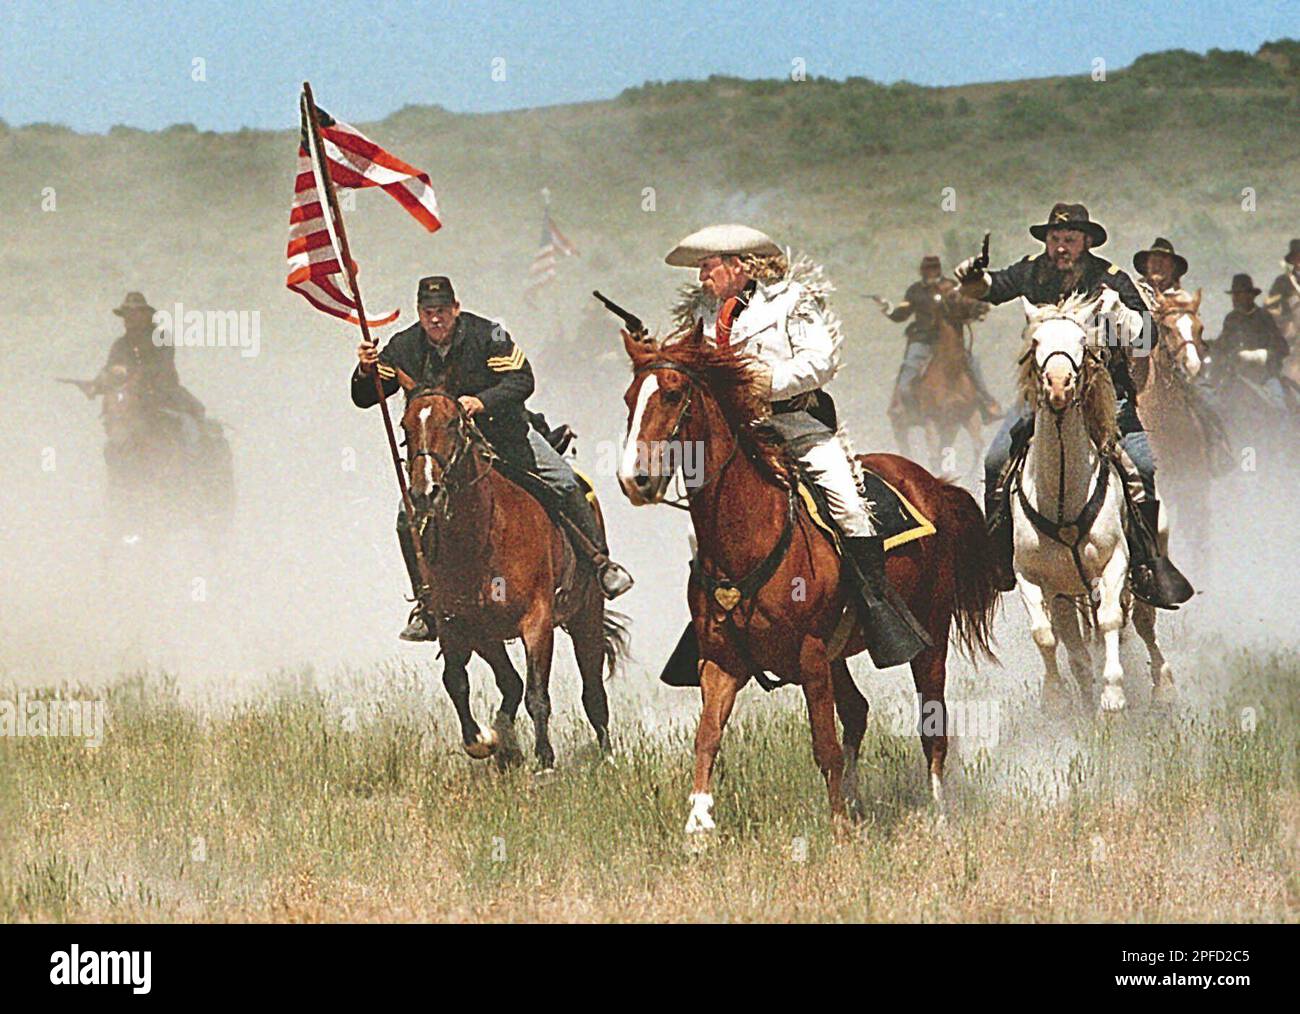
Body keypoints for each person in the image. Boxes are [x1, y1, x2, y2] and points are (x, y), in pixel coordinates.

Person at [665, 223, 927, 664]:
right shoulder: (701, 316)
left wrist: (768, 381)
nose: (700, 278)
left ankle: (879, 612)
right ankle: (711, 627)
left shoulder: (791, 302)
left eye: (707, 267)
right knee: (702, 521)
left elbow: (821, 360)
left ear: (737, 266)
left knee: (848, 504)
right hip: (734, 437)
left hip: (796, 425)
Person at [353, 275, 633, 642]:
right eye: (427, 312)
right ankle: (426, 603)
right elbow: (365, 396)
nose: (435, 319)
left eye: (441, 311)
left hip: (506, 435)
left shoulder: (490, 335)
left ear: (455, 309)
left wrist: (481, 401)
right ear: (420, 314)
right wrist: (365, 369)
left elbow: (522, 380)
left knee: (565, 483)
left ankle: (600, 565)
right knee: (408, 517)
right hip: (445, 456)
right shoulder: (403, 346)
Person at [955, 203, 1193, 609]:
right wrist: (971, 278)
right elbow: (992, 289)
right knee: (995, 459)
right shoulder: (1032, 271)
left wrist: (1119, 314)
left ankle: (1149, 563)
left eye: (1068, 239)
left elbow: (1145, 339)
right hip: (1043, 394)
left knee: (1144, 466)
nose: (1060, 247)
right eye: (1054, 239)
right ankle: (997, 559)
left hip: (1106, 396)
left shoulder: (1110, 279)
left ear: (1085, 242)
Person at [878, 254, 1002, 422]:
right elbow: (901, 313)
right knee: (910, 364)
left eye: (934, 268)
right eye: (928, 269)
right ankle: (900, 404)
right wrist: (888, 309)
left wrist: (978, 307)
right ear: (922, 271)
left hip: (948, 340)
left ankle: (986, 401)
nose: (931, 272)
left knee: (973, 362)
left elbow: (966, 303)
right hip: (922, 339)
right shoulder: (915, 291)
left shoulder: (951, 287)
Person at [86, 291, 207, 444]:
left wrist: (139, 378)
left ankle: (194, 459)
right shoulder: (120, 345)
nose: (129, 318)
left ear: (146, 315)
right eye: (126, 314)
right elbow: (111, 369)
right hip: (131, 401)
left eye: (135, 313)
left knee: (191, 423)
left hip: (165, 394)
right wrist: (96, 385)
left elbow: (161, 365)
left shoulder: (161, 337)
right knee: (116, 435)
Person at [1213, 273, 1293, 415]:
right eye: (1234, 294)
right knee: (1216, 408)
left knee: (1280, 408)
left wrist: (1260, 355)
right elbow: (1221, 347)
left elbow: (1282, 348)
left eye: (1240, 294)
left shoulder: (1264, 317)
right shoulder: (1231, 319)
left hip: (1264, 377)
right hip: (1236, 377)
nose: (1235, 298)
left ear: (1251, 296)